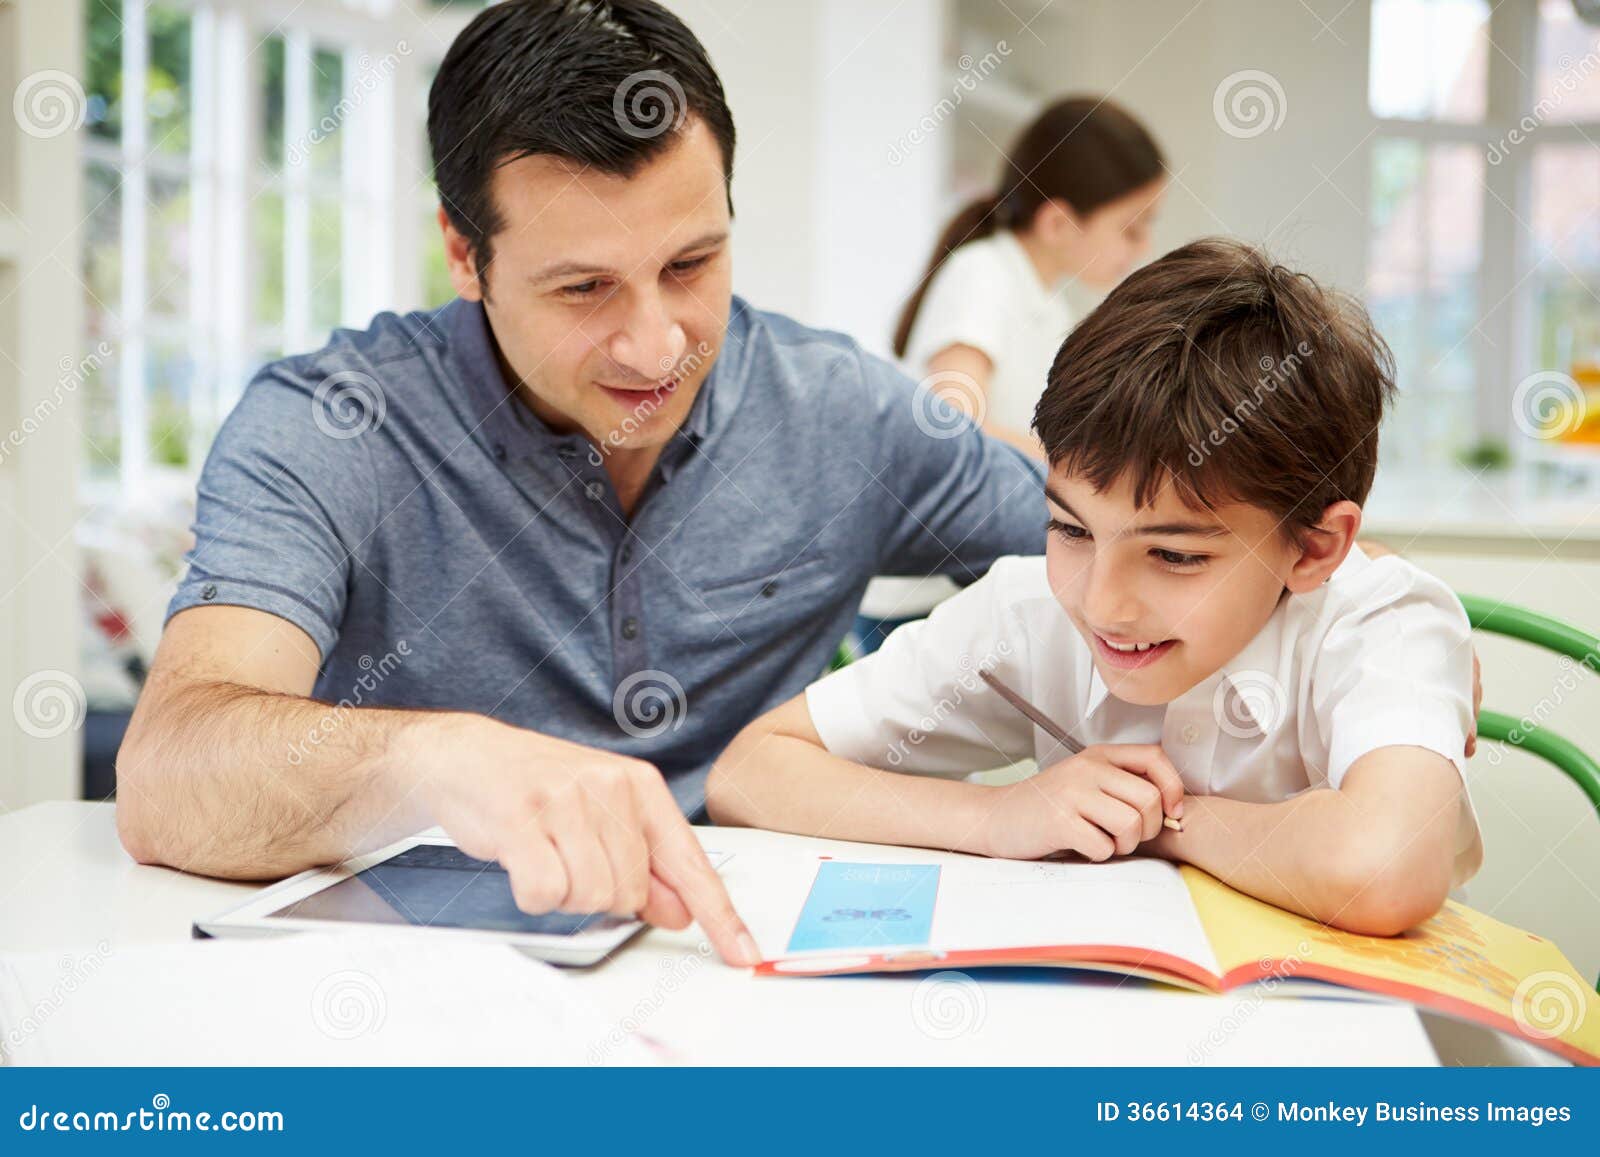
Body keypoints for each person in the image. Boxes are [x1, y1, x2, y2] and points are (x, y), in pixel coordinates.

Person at [113, 0, 1046, 966]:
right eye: (582, 288)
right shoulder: (330, 427)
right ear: (465, 254)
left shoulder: (846, 414)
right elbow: (167, 774)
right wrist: (436, 758)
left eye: (691, 263)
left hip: (748, 979)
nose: (656, 346)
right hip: (426, 997)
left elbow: (1118, 555)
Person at [708, 238, 1483, 937]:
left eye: (1175, 557)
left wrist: (1161, 822)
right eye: (1071, 529)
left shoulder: (1386, 623)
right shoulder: (1031, 611)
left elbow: (1386, 868)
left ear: (1314, 549)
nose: (1103, 603)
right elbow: (748, 773)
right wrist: (999, 814)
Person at [855, 98, 1165, 652]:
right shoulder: (984, 277)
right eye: (1131, 228)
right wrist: (1083, 467)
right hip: (922, 600)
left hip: (968, 580)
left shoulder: (1047, 301)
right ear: (1056, 222)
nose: (1142, 248)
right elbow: (952, 427)